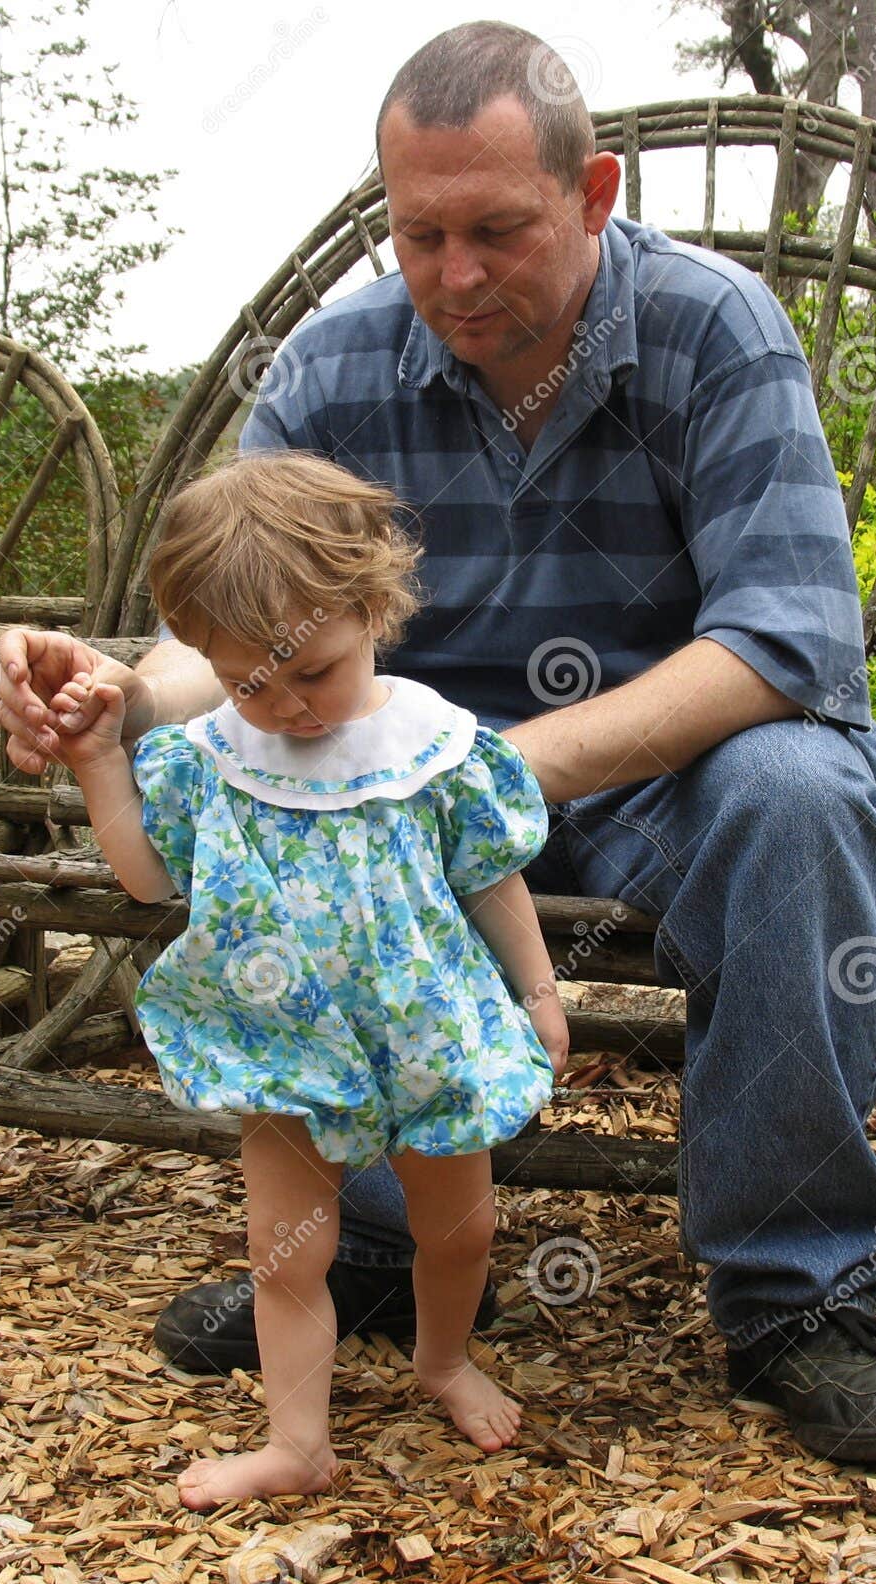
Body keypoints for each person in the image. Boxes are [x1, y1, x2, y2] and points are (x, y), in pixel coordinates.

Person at [0, 21, 876, 1464]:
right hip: (388, 771)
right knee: (318, 810)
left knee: (802, 791)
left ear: (593, 193)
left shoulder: (715, 327)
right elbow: (231, 630)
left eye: (494, 230)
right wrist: (119, 697)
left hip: (657, 774)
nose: (452, 276)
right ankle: (374, 1244)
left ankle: (792, 1294)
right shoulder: (331, 367)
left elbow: (782, 641)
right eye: (417, 233)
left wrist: (476, 771)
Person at [52, 451, 564, 1504]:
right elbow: (147, 878)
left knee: (459, 1228)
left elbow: (490, 873)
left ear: (372, 607)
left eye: (313, 670)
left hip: (428, 1032)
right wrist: (102, 760)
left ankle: (442, 1360)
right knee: (285, 1255)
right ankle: (296, 1444)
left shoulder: (430, 742)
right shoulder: (210, 758)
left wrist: (541, 991)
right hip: (280, 1042)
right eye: (250, 679)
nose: (285, 706)